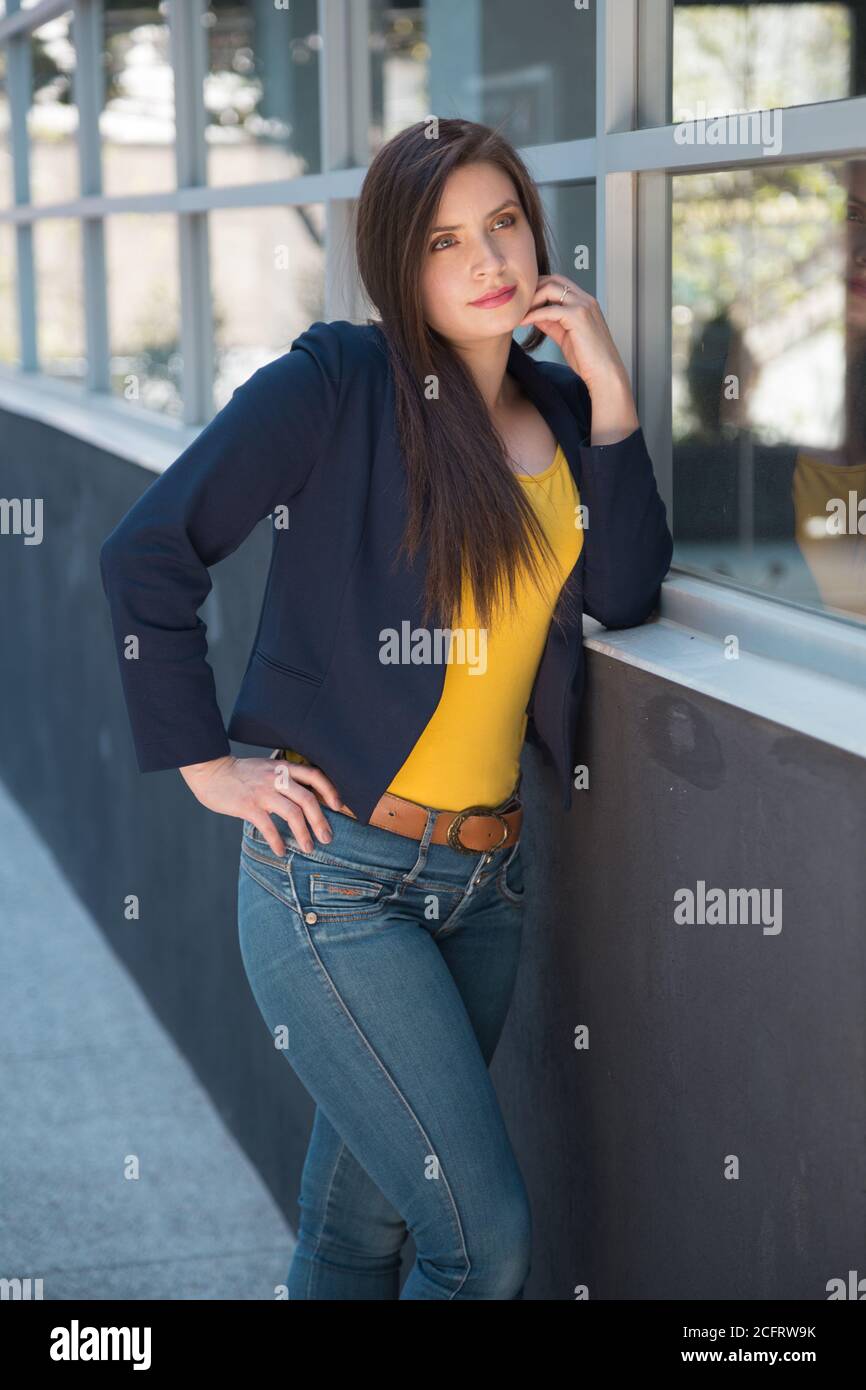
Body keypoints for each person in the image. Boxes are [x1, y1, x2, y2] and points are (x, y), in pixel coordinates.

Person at [99, 117, 673, 1299]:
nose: (486, 259)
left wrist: (609, 392)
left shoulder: (559, 411)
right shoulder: (339, 384)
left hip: (484, 887)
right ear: (395, 265)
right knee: (484, 1243)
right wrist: (210, 766)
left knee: (358, 1234)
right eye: (444, 240)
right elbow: (146, 549)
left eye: (503, 221)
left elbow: (617, 588)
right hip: (337, 881)